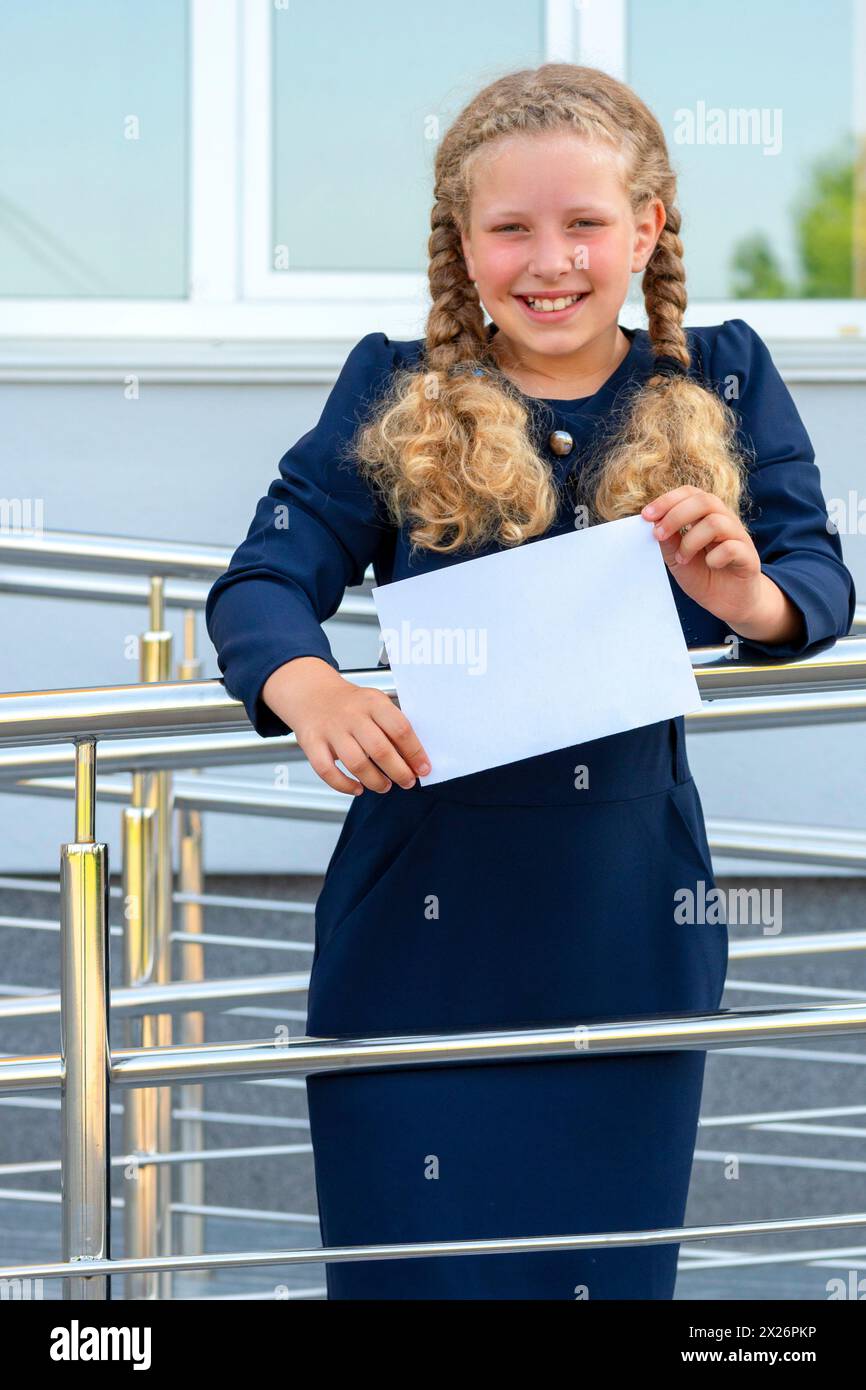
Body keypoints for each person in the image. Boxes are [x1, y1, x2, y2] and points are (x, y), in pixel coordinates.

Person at [205, 63, 856, 1300]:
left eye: (584, 224)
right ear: (462, 241)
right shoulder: (396, 385)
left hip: (628, 928)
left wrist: (744, 599)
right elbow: (259, 581)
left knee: (600, 1279)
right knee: (415, 1279)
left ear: (646, 228)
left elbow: (814, 579)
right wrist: (310, 689)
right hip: (413, 941)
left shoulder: (718, 369)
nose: (546, 261)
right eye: (509, 227)